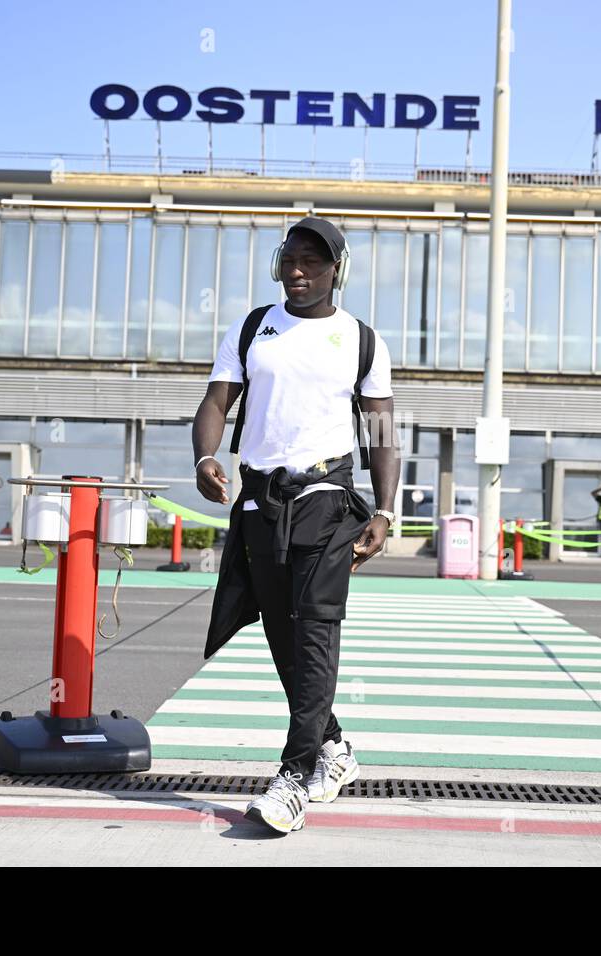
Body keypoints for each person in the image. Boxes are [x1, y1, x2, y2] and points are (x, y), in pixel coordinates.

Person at [192, 216, 399, 834]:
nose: (299, 271)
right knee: (282, 633)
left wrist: (384, 510)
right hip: (261, 500)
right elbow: (214, 402)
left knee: (314, 628)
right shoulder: (255, 327)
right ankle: (334, 747)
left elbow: (382, 427)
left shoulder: (361, 339)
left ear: (339, 269)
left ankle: (293, 777)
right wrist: (205, 455)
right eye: (291, 259)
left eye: (314, 261)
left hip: (326, 498)